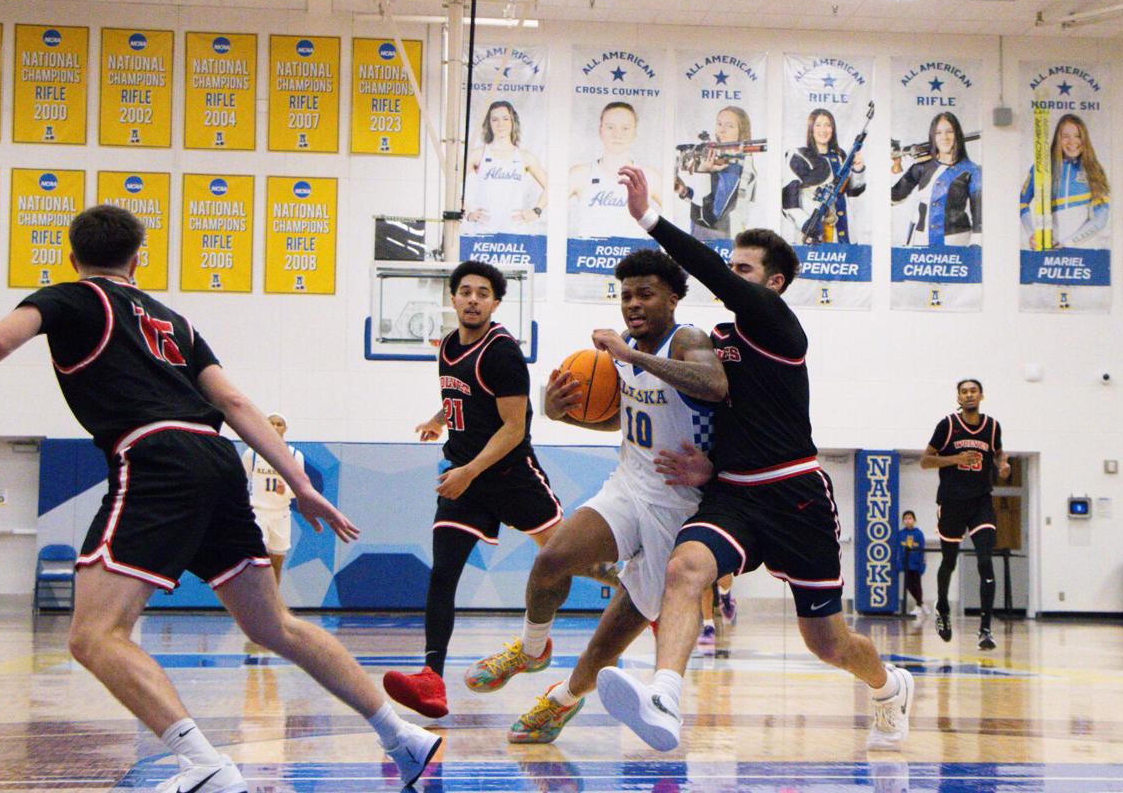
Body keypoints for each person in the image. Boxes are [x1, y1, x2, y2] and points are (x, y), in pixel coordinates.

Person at [0, 205, 440, 790]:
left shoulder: (72, 298)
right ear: (138, 258)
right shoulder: (175, 323)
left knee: (93, 636)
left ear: (70, 256)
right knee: (274, 625)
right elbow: (235, 405)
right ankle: (403, 737)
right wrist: (301, 483)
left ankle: (204, 764)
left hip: (154, 457)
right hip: (215, 459)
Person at [594, 165, 912, 753]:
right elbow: (707, 410)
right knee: (685, 570)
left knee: (826, 642)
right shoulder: (714, 341)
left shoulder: (778, 327)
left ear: (775, 283)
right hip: (734, 494)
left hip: (794, 495)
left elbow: (708, 270)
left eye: (742, 269)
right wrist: (706, 465)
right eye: (731, 265)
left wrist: (649, 219)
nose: (729, 277)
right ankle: (664, 697)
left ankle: (889, 685)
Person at [467, 249, 726, 745]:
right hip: (628, 487)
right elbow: (624, 412)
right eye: (626, 294)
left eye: (645, 294)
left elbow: (714, 385)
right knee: (554, 557)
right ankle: (532, 647)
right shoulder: (626, 345)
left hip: (679, 507)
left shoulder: (686, 339)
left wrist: (630, 357)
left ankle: (562, 699)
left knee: (612, 635)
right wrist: (562, 412)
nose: (632, 303)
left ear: (672, 298)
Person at [384, 260, 569, 721]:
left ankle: (635, 590)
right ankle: (431, 678)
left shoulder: (503, 352)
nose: (472, 299)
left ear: (495, 302)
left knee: (568, 557)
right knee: (442, 573)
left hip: (511, 477)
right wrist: (438, 418)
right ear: (452, 298)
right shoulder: (447, 346)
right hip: (463, 481)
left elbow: (513, 428)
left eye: (482, 293)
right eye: (464, 291)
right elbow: (463, 397)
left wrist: (469, 470)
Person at [920, 379, 1010, 650]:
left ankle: (985, 629)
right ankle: (943, 607)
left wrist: (1002, 464)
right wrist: (954, 459)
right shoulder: (947, 425)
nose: (969, 395)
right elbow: (925, 460)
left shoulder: (992, 426)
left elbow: (998, 452)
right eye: (964, 391)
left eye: (973, 391)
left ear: (981, 395)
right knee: (949, 560)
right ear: (958, 397)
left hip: (981, 502)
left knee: (985, 560)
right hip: (951, 502)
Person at [568, 101, 663, 242]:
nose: (617, 135)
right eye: (610, 127)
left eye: (625, 128)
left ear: (635, 132)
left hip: (635, 261)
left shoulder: (650, 177)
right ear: (600, 130)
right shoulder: (579, 174)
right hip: (588, 259)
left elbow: (677, 218)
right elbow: (551, 212)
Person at [1020, 113, 1111, 249]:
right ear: (1058, 139)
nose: (1072, 142)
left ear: (1084, 139)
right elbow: (1021, 203)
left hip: (1084, 250)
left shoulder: (1094, 170)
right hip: (1048, 249)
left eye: (1077, 136)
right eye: (1066, 136)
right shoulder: (1041, 168)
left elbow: (1100, 219)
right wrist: (1032, 234)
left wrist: (1068, 243)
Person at [890, 112, 981, 247]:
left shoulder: (973, 170)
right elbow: (894, 197)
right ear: (933, 137)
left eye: (949, 132)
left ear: (957, 135)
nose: (944, 137)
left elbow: (980, 216)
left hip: (956, 243)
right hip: (920, 241)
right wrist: (896, 165)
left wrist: (975, 247)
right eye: (938, 133)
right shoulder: (921, 167)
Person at [462, 100, 548, 236]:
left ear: (513, 121)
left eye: (505, 119)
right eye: (495, 120)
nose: (500, 124)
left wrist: (536, 211)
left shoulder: (525, 157)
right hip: (483, 232)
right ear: (489, 123)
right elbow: (452, 186)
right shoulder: (478, 154)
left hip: (515, 233)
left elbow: (553, 187)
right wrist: (467, 213)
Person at [783, 108, 867, 245]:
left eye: (828, 125)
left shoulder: (840, 156)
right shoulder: (798, 156)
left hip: (843, 232)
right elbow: (788, 202)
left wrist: (858, 170)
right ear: (811, 129)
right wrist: (807, 226)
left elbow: (854, 191)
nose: (823, 129)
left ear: (833, 129)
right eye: (818, 125)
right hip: (810, 233)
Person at [675, 106, 757, 242]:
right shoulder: (720, 160)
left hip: (716, 240)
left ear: (741, 131)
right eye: (719, 124)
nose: (722, 130)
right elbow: (702, 201)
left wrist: (703, 171)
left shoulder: (735, 168)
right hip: (702, 236)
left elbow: (708, 216)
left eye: (730, 126)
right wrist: (684, 192)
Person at [241, 413, 299, 584]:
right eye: (271, 423)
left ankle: (273, 605)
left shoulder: (295, 455)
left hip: (281, 514)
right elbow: (241, 480)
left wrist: (286, 491)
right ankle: (257, 603)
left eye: (279, 424)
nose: (274, 427)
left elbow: (300, 488)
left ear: (285, 429)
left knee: (277, 562)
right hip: (258, 512)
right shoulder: (252, 454)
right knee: (258, 560)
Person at [895, 511, 929, 627]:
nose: (907, 520)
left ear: (914, 520)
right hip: (906, 565)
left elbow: (923, 550)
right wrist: (899, 564)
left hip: (916, 565)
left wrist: (922, 565)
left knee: (917, 585)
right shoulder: (901, 534)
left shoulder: (919, 534)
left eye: (910, 518)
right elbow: (899, 550)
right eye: (905, 519)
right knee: (908, 585)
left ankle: (919, 605)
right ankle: (921, 603)